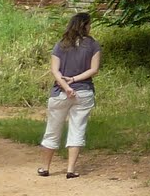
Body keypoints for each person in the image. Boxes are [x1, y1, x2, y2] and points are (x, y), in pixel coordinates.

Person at [39, 11, 101, 179]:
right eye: (89, 24)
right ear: (85, 26)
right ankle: (70, 170)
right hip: (84, 92)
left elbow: (55, 71)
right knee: (77, 129)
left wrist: (66, 86)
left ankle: (45, 168)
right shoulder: (93, 45)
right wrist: (74, 80)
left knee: (52, 129)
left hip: (60, 93)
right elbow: (94, 70)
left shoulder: (61, 44)